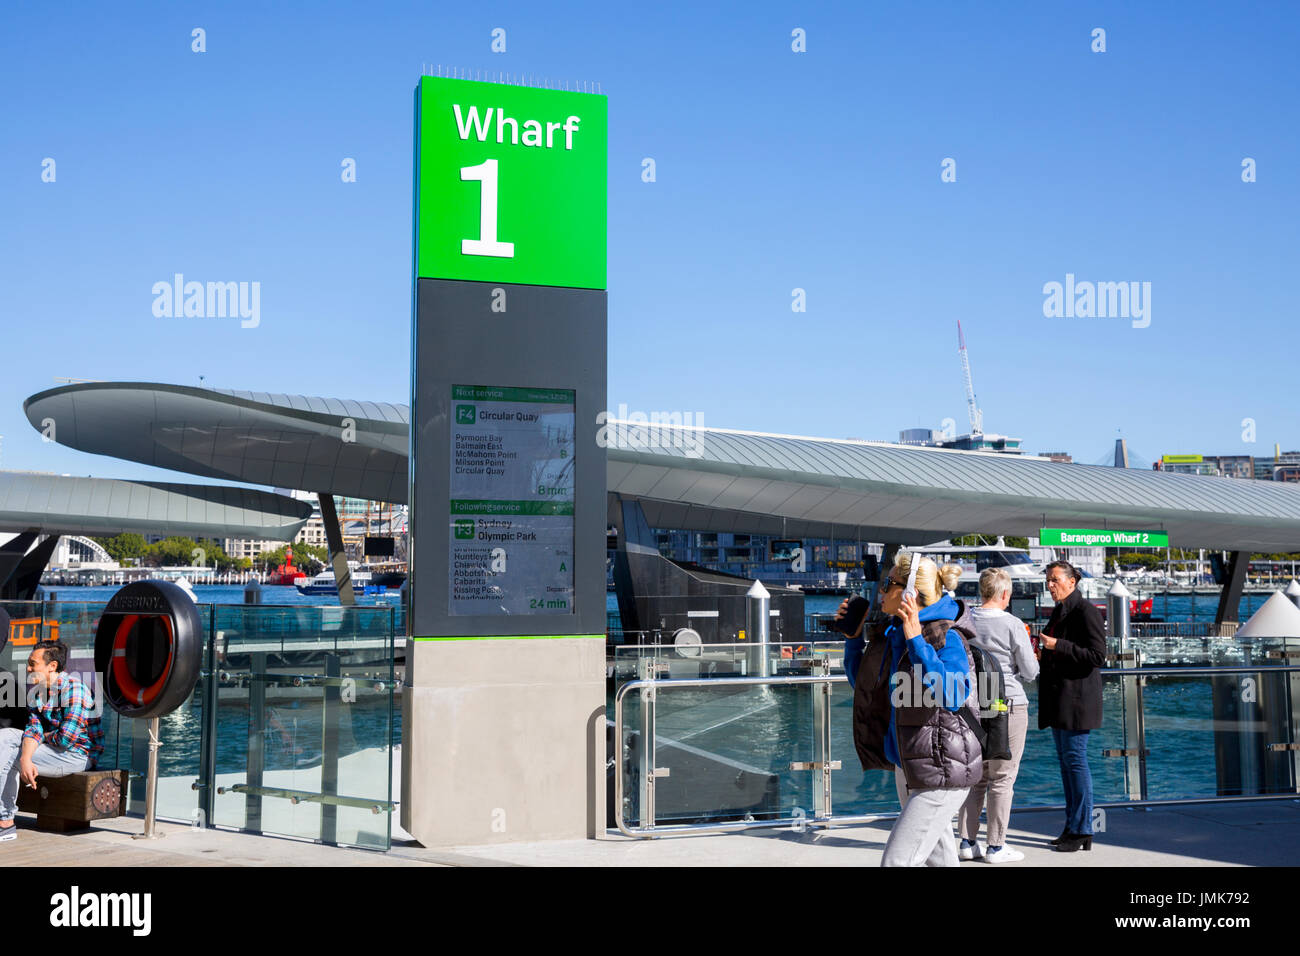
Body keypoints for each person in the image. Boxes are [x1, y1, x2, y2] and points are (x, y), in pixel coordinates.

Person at [840, 552, 983, 867]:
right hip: (911, 764)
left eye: (887, 583)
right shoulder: (894, 631)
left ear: (910, 593)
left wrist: (917, 641)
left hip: (942, 767)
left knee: (896, 862)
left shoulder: (946, 635)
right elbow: (866, 685)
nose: (880, 590)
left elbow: (953, 694)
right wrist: (853, 639)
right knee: (940, 859)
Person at [957, 567, 1039, 862]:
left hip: (973, 703)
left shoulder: (966, 620)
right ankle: (996, 845)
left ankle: (967, 842)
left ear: (982, 591)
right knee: (1003, 777)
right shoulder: (1013, 624)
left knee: (975, 776)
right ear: (1005, 594)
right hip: (1008, 704)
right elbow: (1030, 671)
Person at [0, 640, 105, 843]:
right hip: (52, 750)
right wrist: (26, 758)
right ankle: (4, 819)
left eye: (33, 663)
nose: (28, 668)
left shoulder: (75, 691)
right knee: (6, 738)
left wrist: (40, 740)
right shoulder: (35, 693)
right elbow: (32, 730)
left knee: (9, 749)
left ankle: (5, 822)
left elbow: (65, 739)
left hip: (78, 755)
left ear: (52, 666)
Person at [1038, 560, 1105, 853]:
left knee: (1076, 763)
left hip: (1077, 701)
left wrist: (1056, 646)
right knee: (1068, 765)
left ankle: (1082, 829)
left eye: (1054, 580)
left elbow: (1097, 655)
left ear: (1071, 581)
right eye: (1048, 581)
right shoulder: (1061, 610)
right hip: (1061, 700)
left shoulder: (1085, 611)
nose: (1050, 586)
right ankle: (1073, 826)